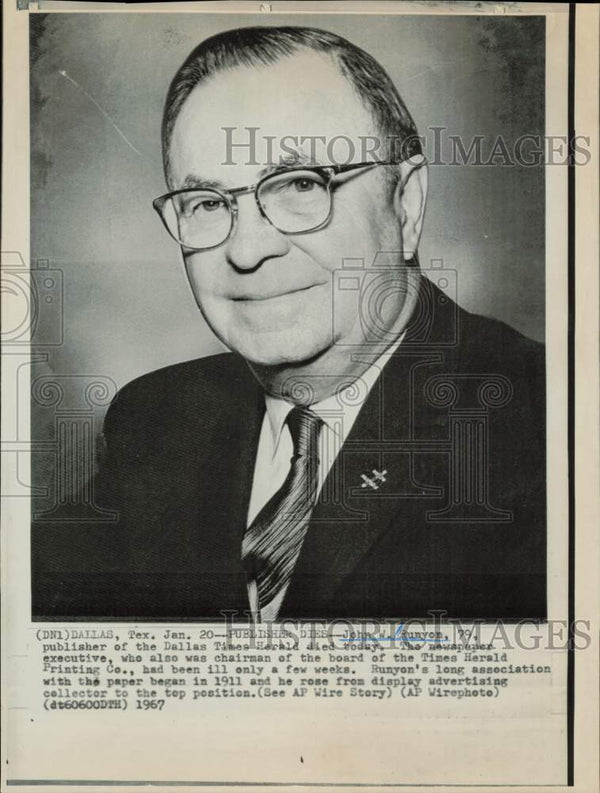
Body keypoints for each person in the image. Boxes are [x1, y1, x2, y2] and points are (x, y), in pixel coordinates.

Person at [32, 26, 546, 621]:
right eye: (205, 203)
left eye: (301, 184)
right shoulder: (160, 420)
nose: (247, 250)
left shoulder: (548, 421)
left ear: (405, 204)